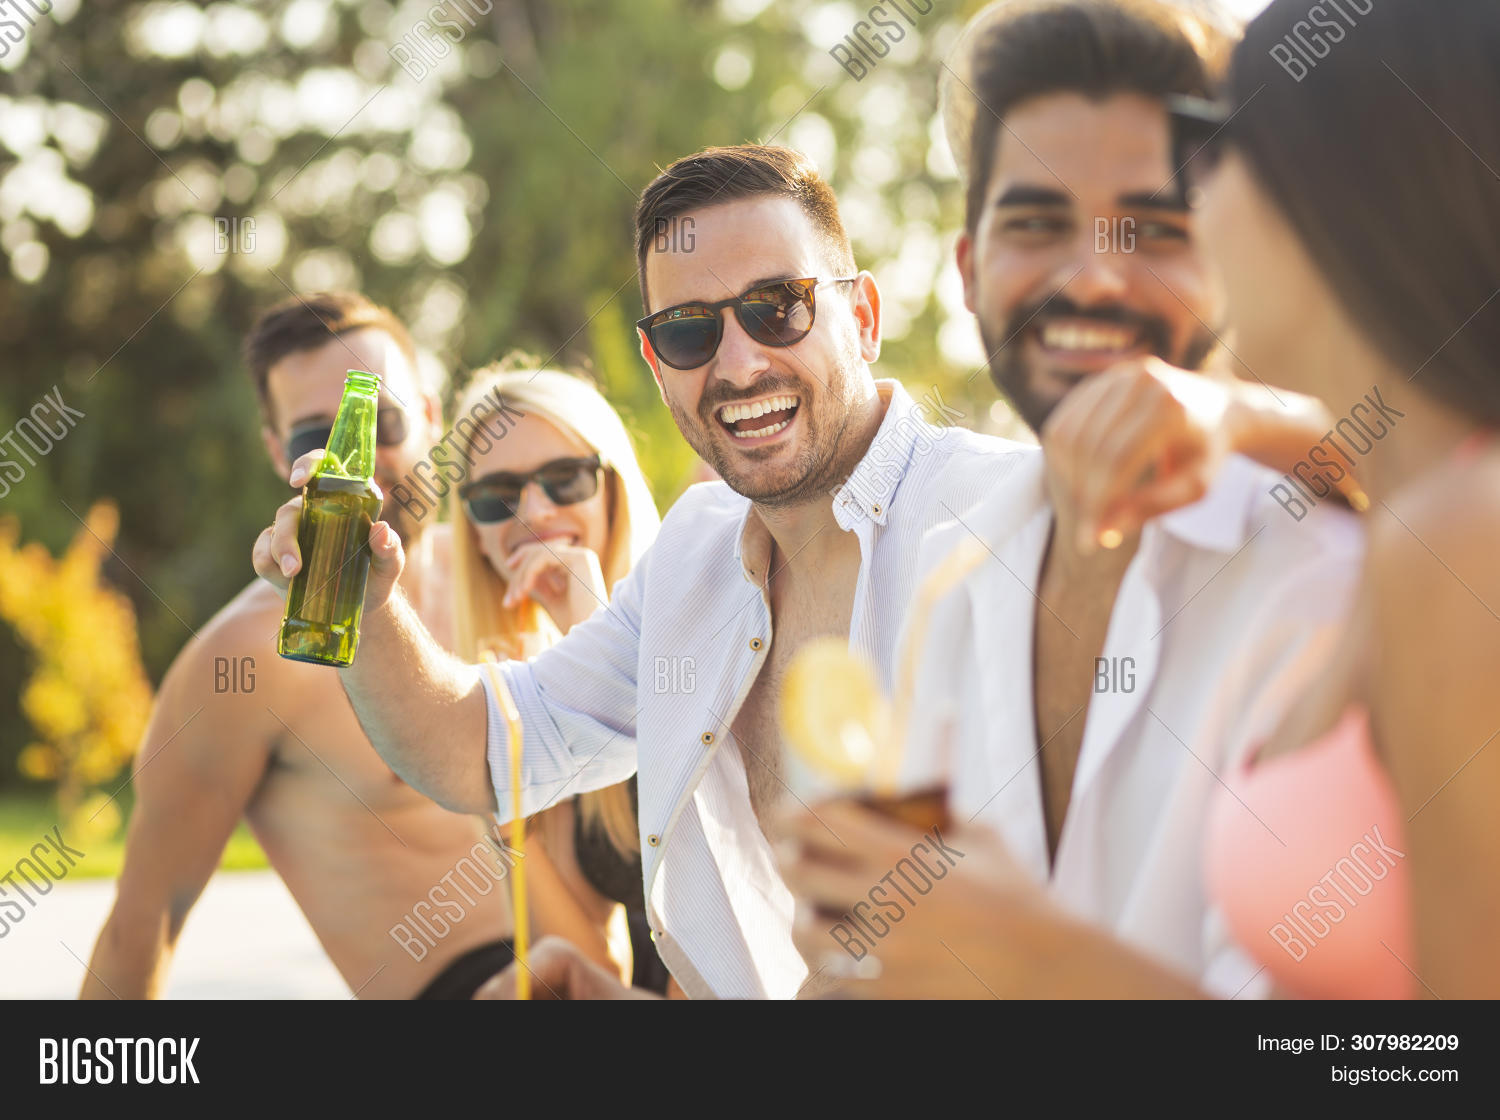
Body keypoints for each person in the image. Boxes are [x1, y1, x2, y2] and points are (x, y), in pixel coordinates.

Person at [253, 144, 1033, 999]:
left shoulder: (1011, 520)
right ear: (658, 363)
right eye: (691, 330)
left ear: (865, 317)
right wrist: (367, 604)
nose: (738, 365)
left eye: (778, 308)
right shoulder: (692, 557)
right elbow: (484, 750)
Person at [777, 0, 1371, 997]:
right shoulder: (957, 568)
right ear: (969, 272)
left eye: (1154, 228)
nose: (1093, 277)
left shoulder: (1325, 576)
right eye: (1037, 223)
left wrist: (1031, 964)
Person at [80, 291, 516, 1000]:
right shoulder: (244, 663)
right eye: (323, 430)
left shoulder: (511, 574)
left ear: (433, 417)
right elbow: (141, 928)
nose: (358, 456)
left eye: (384, 420)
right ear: (278, 450)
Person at [439, 356, 674, 995]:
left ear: (613, 489)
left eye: (565, 479)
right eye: (497, 496)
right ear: (477, 533)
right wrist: (506, 802)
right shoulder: (518, 689)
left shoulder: (698, 614)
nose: (535, 511)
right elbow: (589, 966)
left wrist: (589, 624)